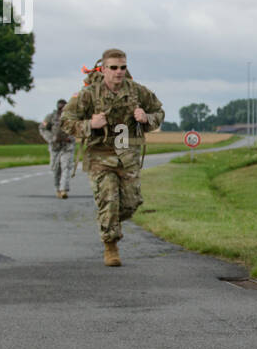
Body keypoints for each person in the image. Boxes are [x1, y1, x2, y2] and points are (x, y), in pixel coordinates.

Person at [60, 49, 164, 266]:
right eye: (114, 68)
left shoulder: (137, 92)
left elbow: (159, 112)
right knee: (109, 198)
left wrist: (146, 118)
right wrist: (90, 124)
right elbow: (66, 121)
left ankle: (110, 219)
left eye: (123, 67)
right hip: (100, 155)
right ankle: (111, 245)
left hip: (128, 155)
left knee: (130, 203)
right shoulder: (89, 94)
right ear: (104, 69)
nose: (119, 72)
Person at [39, 98, 75, 199]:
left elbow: (79, 129)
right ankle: (58, 188)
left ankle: (64, 189)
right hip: (55, 146)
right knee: (55, 168)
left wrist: (71, 138)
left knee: (66, 167)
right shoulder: (50, 117)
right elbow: (42, 128)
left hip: (67, 147)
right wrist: (52, 138)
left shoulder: (72, 117)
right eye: (60, 107)